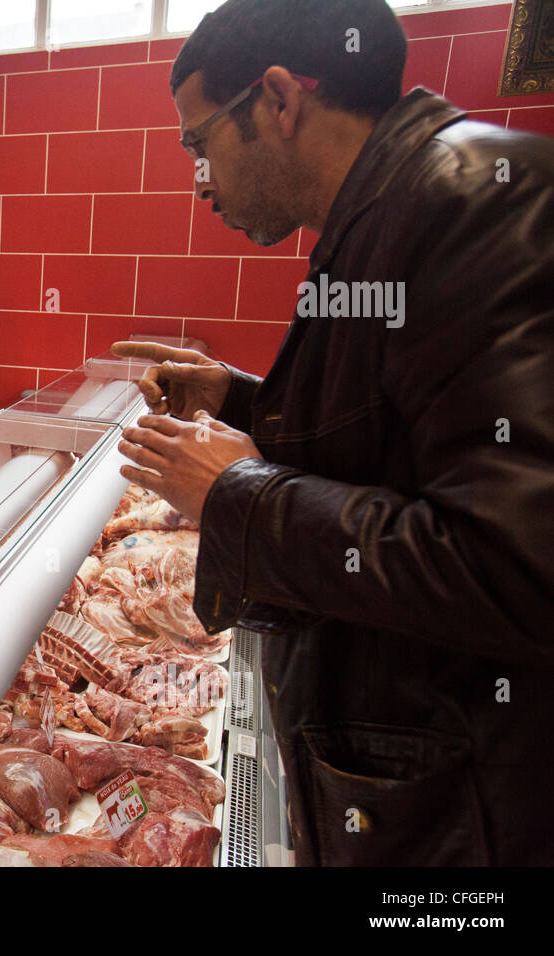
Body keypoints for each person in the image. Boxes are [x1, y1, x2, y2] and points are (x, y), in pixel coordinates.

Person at [112, 0, 554, 865]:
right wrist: (239, 401)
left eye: (200, 144)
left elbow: (517, 563)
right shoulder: (388, 211)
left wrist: (238, 493)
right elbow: (403, 446)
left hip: (471, 825)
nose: (200, 183)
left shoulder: (477, 205)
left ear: (278, 99)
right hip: (423, 788)